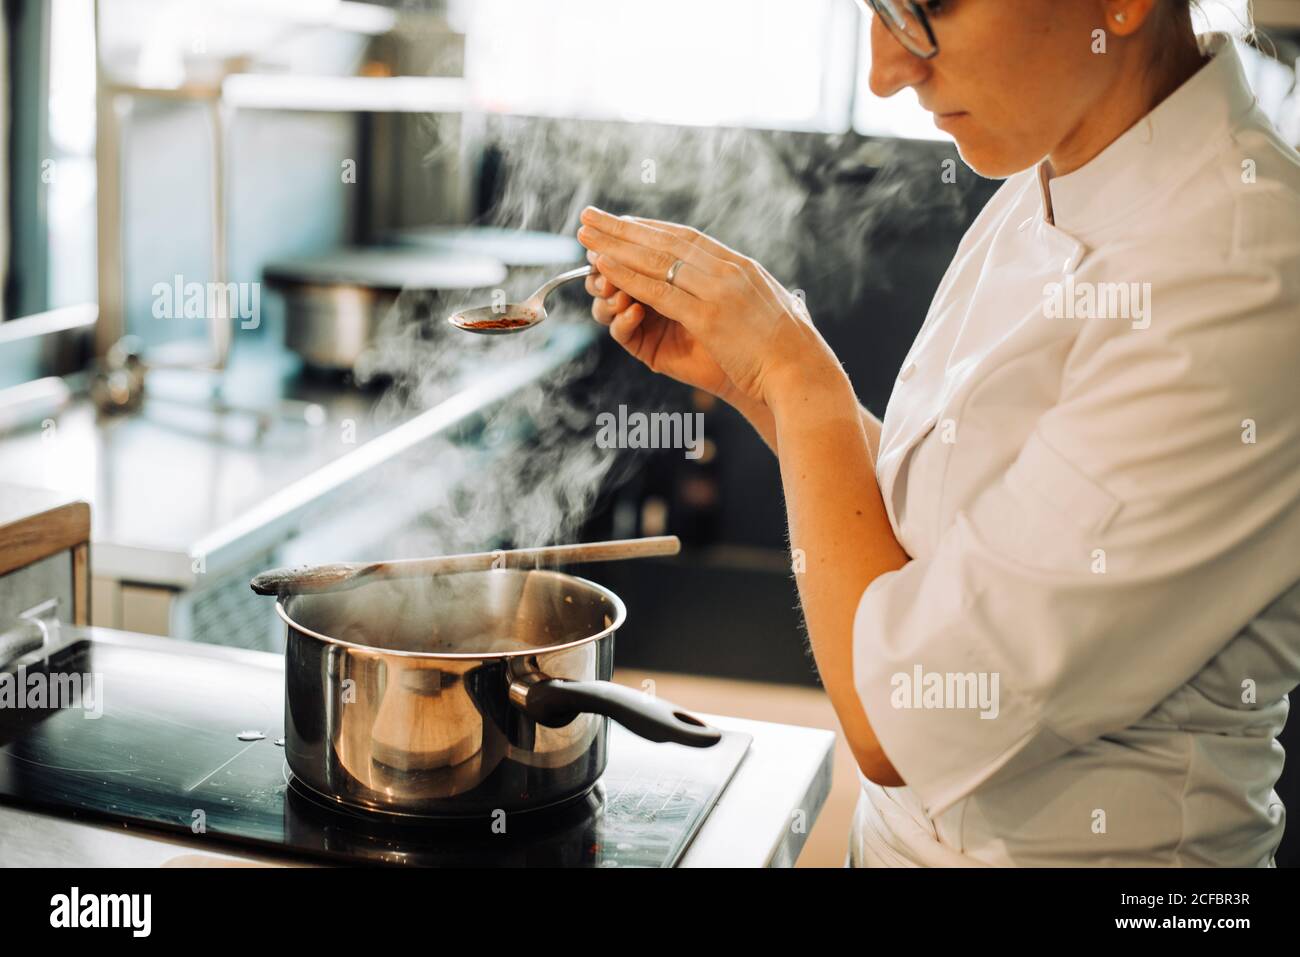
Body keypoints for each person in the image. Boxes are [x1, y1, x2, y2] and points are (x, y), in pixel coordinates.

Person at [576, 0, 1300, 865]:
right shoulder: (1054, 175)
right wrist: (754, 381)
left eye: (922, 9)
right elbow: (963, 537)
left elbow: (906, 715)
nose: (885, 70)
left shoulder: (1240, 272)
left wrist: (797, 374)